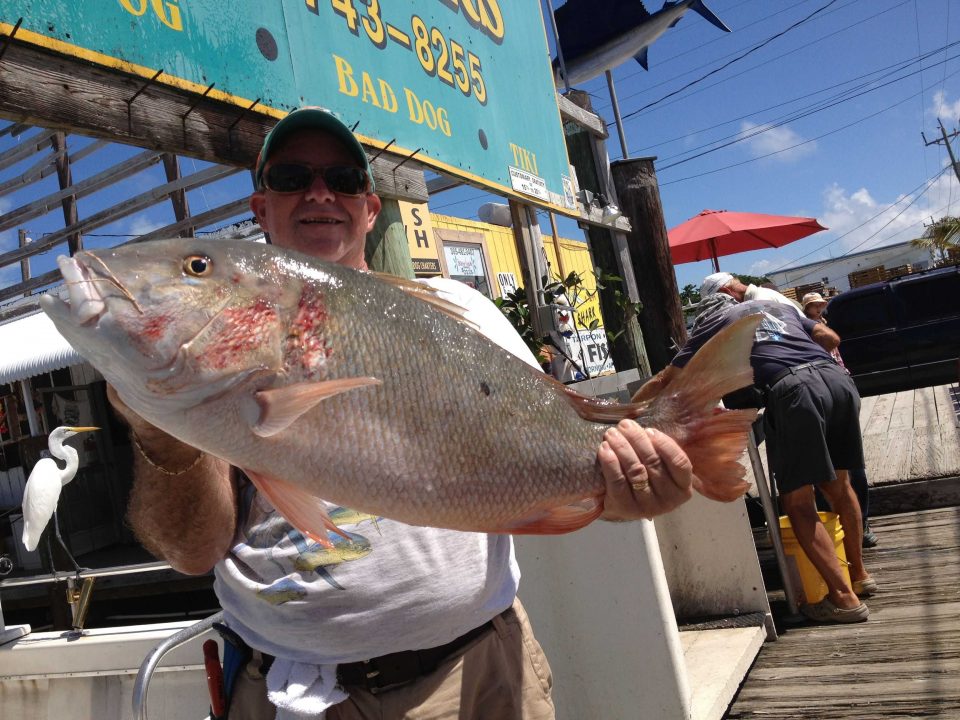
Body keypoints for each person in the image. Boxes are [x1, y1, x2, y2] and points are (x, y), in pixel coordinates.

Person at [108, 107, 698, 719]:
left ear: (370, 209)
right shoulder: (206, 365)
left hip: (475, 676)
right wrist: (160, 436)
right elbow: (191, 551)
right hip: (290, 694)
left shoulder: (460, 310)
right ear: (260, 209)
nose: (319, 192)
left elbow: (545, 446)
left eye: (342, 178)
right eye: (290, 177)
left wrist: (616, 489)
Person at [634, 296, 877, 623]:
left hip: (795, 391)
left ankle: (843, 599)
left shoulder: (715, 324)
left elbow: (668, 377)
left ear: (706, 315)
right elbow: (830, 339)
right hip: (838, 381)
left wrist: (628, 411)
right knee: (840, 485)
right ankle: (859, 576)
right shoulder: (778, 307)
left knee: (798, 501)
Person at [802, 292, 879, 548]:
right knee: (835, 464)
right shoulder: (809, 326)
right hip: (829, 389)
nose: (818, 308)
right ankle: (842, 523)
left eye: (819, 305)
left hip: (828, 389)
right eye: (814, 305)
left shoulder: (817, 327)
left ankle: (859, 522)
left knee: (843, 463)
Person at [700, 271, 803, 314]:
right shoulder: (763, 293)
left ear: (726, 291)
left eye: (718, 303)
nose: (720, 308)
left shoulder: (758, 304)